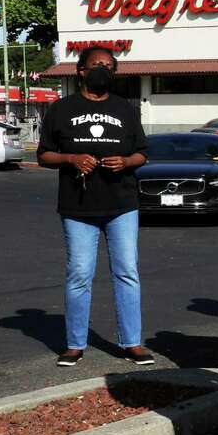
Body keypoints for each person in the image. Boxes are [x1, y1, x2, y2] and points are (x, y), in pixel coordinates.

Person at [37, 46, 154, 368]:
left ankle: (131, 343)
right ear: (81, 71)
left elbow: (143, 152)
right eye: (96, 65)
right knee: (79, 275)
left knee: (127, 273)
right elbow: (43, 155)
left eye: (108, 66)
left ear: (114, 74)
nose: (102, 69)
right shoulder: (61, 109)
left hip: (122, 206)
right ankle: (75, 344)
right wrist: (70, 158)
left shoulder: (127, 110)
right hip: (78, 208)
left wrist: (127, 161)